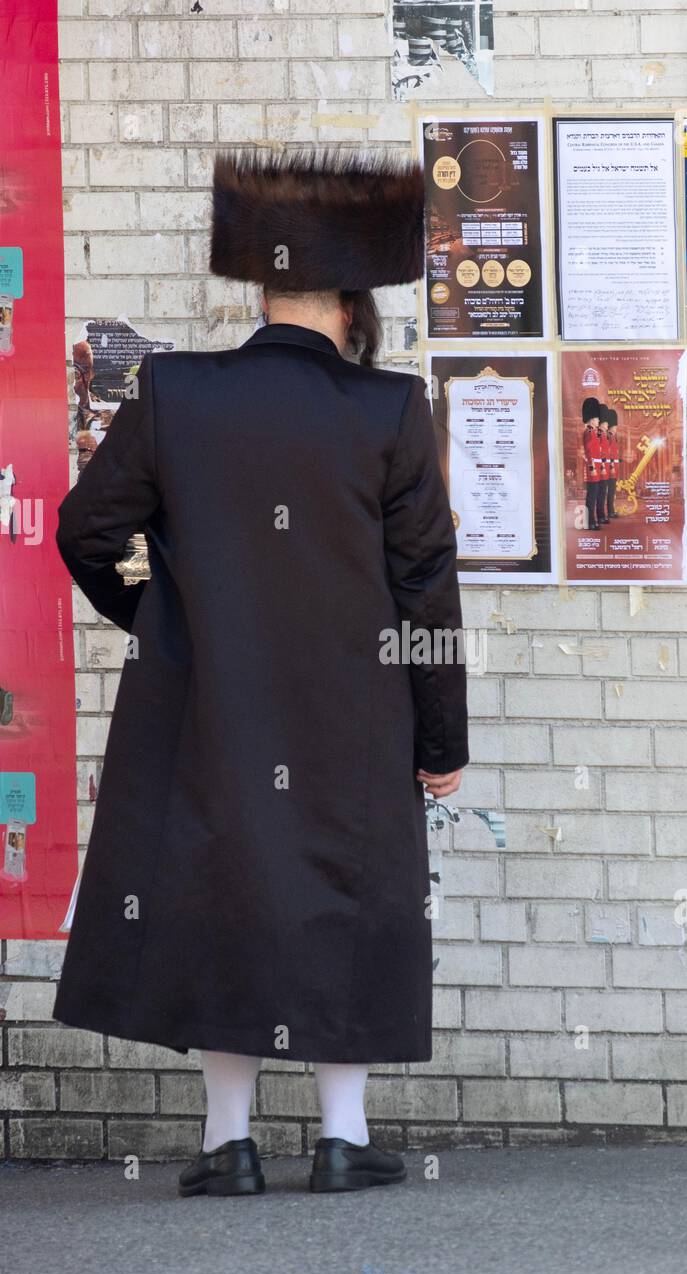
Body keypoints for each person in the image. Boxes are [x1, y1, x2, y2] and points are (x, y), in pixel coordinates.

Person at [51, 146, 470, 1197]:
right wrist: (441, 742)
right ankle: (340, 1137)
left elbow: (82, 532)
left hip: (211, 711)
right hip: (356, 711)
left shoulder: (176, 392)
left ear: (267, 290)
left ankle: (228, 1143)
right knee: (350, 893)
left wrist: (152, 615)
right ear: (349, 301)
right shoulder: (390, 410)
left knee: (216, 895)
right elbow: (425, 590)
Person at [581, 396, 603, 531]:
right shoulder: (589, 432)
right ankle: (590, 522)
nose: (599, 420)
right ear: (592, 418)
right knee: (592, 497)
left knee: (594, 496)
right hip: (592, 469)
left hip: (595, 468)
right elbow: (589, 452)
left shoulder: (593, 433)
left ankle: (592, 521)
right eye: (597, 418)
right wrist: (592, 467)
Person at [606, 406, 620, 519]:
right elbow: (609, 453)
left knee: (612, 491)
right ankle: (610, 511)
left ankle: (611, 510)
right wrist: (611, 466)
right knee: (610, 491)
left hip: (614, 467)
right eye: (615, 426)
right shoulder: (609, 437)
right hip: (611, 469)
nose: (616, 428)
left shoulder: (614, 437)